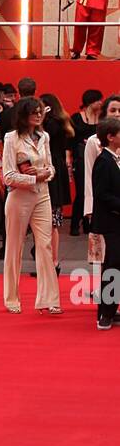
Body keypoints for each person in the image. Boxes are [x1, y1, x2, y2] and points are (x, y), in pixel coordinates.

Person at [2, 98, 60, 315]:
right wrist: (34, 179)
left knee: (45, 246)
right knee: (14, 246)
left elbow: (51, 166)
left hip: (43, 195)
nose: (38, 116)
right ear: (23, 115)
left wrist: (46, 174)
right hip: (19, 197)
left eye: (40, 112)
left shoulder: (44, 136)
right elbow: (8, 176)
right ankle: (11, 298)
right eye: (34, 112)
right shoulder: (11, 138)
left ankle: (49, 299)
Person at [41, 92, 73, 272]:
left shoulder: (50, 124)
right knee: (52, 219)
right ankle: (51, 260)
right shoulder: (62, 122)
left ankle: (52, 261)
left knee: (51, 219)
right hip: (56, 167)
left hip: (50, 169)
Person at [92, 116, 120, 330]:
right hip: (109, 224)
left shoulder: (113, 159)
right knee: (111, 269)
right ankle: (105, 314)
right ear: (111, 137)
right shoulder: (103, 161)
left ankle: (110, 309)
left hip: (115, 222)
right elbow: (101, 194)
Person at [70, 89, 103, 237]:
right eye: (98, 100)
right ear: (90, 101)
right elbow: (70, 139)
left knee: (95, 190)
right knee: (81, 191)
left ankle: (89, 222)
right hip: (81, 157)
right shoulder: (76, 118)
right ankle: (75, 223)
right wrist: (68, 158)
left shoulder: (102, 118)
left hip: (99, 158)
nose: (101, 103)